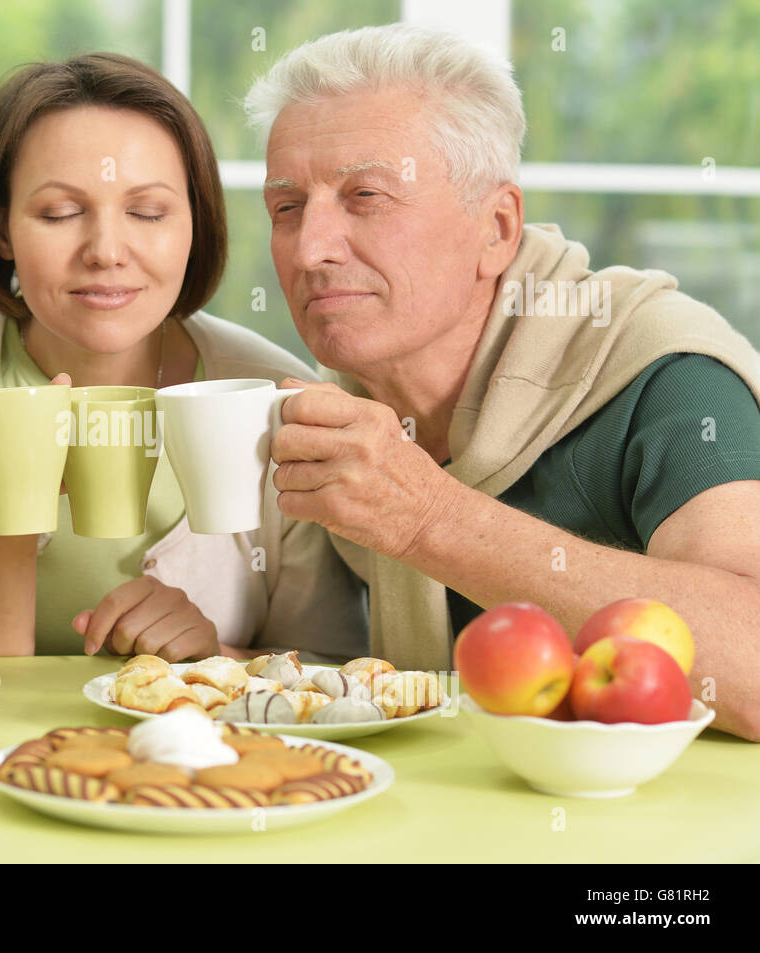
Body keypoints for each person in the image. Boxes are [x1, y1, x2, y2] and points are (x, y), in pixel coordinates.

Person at [246, 25, 760, 740]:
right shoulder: (342, 413)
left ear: (496, 228)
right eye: (286, 207)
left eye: (365, 195)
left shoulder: (666, 375)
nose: (310, 249)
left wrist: (428, 519)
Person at [0, 53, 367, 663]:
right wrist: (15, 515)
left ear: (196, 223)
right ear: (1, 231)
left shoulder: (270, 396)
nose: (107, 251)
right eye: (60, 213)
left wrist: (217, 655)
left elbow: (333, 671)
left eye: (147, 212)